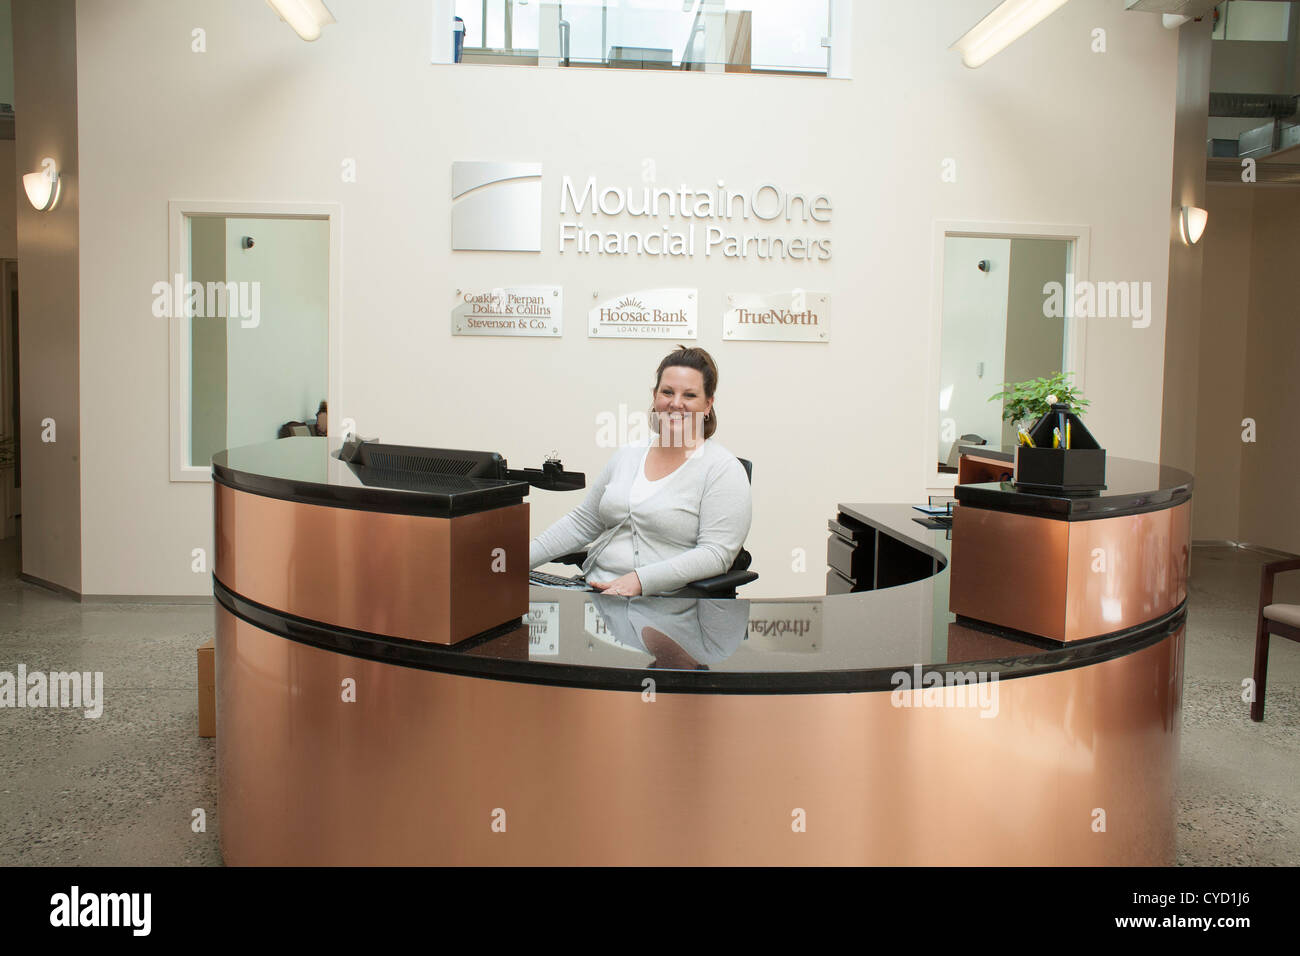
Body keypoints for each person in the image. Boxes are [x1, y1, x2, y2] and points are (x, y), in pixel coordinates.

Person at [529, 346, 752, 597]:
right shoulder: (628, 454)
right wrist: (516, 562)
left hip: (665, 607)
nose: (676, 403)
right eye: (667, 392)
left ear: (708, 404)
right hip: (594, 593)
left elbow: (716, 554)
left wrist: (640, 581)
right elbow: (583, 522)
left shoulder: (723, 469)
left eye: (689, 395)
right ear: (655, 396)